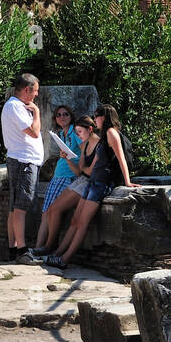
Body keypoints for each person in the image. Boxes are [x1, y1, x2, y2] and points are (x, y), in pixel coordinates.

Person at [44, 105, 141, 270]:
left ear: (105, 117)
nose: (95, 119)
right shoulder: (103, 135)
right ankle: (57, 254)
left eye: (97, 115)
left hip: (102, 183)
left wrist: (127, 181)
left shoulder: (111, 133)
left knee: (82, 222)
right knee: (75, 220)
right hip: (92, 181)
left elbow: (121, 158)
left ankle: (64, 260)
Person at [31, 114, 97, 258]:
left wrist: (84, 168)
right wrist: (68, 159)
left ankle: (53, 250)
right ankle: (49, 247)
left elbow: (88, 171)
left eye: (79, 132)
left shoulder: (97, 144)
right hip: (81, 180)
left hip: (89, 182)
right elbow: (81, 170)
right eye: (77, 132)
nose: (78, 135)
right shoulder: (85, 145)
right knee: (52, 210)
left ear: (90, 129)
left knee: (75, 221)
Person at [1, 72, 43, 263]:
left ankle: (13, 248)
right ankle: (22, 251)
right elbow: (34, 132)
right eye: (35, 91)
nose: (36, 96)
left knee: (15, 207)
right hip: (24, 162)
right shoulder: (15, 107)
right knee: (21, 207)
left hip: (21, 160)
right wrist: (37, 112)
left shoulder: (14, 106)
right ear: (27, 89)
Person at [32, 105, 79, 255]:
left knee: (50, 212)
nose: (62, 117)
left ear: (71, 116)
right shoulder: (62, 134)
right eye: (59, 115)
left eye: (65, 114)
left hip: (67, 176)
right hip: (58, 176)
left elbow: (85, 149)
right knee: (46, 212)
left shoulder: (75, 132)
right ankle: (39, 247)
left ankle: (43, 247)